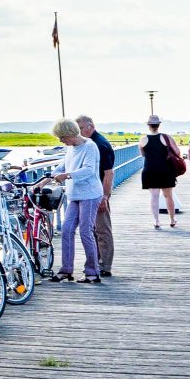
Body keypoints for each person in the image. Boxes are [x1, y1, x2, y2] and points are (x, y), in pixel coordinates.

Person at [48, 118, 102, 283]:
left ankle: (92, 272)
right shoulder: (70, 148)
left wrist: (67, 176)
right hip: (75, 195)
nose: (60, 140)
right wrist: (45, 179)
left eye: (62, 137)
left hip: (90, 194)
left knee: (86, 231)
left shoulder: (90, 146)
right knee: (67, 229)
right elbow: (63, 166)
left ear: (70, 134)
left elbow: (88, 170)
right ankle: (66, 269)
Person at [79, 115, 116, 276]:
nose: (78, 133)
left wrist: (104, 197)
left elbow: (109, 173)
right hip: (94, 192)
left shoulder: (99, 144)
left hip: (99, 193)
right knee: (95, 229)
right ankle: (97, 262)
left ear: (90, 127)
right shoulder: (91, 143)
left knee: (102, 229)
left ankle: (105, 265)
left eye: (79, 129)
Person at [139, 116, 182, 228]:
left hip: (150, 170)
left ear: (148, 125)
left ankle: (156, 221)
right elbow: (177, 152)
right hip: (165, 170)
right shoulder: (166, 137)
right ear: (159, 125)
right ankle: (172, 220)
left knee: (154, 196)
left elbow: (143, 154)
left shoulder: (143, 139)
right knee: (168, 195)